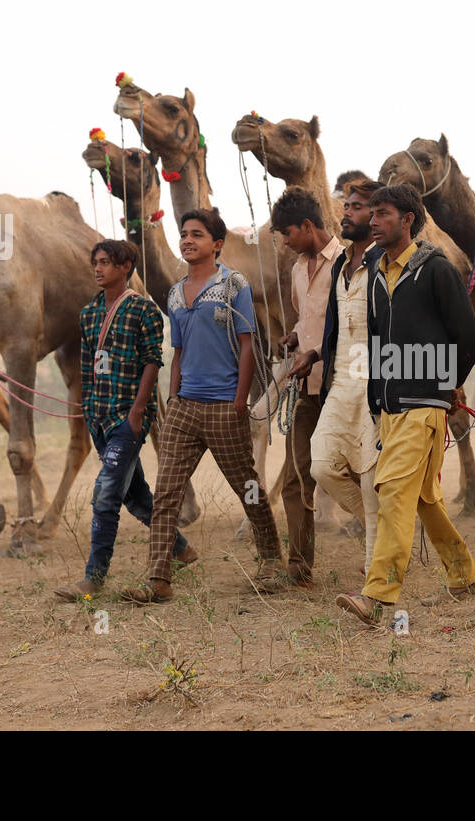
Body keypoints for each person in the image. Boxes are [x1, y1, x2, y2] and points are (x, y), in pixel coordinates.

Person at [334, 184, 475, 625]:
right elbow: (377, 342)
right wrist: (377, 399)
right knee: (423, 498)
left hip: (424, 405)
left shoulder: (435, 269)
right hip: (390, 407)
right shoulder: (376, 271)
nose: (372, 222)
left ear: (408, 220)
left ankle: (378, 595)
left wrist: (447, 384)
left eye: (381, 214)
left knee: (394, 490)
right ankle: (463, 575)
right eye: (371, 214)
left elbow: (468, 338)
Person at [132, 208, 286, 603]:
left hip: (224, 405)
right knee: (166, 491)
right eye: (183, 234)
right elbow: (178, 351)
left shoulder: (234, 284)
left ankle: (270, 559)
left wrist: (239, 398)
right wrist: (174, 396)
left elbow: (249, 343)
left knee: (247, 486)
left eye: (196, 235)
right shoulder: (174, 294)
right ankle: (158, 578)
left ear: (216, 245)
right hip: (184, 407)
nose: (187, 240)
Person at [56, 240, 191, 602]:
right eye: (95, 262)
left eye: (105, 262)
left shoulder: (144, 310)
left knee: (105, 495)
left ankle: (93, 578)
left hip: (127, 420)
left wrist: (136, 413)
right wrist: (87, 409)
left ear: (125, 265)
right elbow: (86, 366)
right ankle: (181, 549)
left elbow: (152, 362)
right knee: (136, 496)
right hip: (99, 417)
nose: (97, 269)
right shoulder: (88, 314)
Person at [292, 178, 386, 576]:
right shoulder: (342, 265)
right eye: (346, 205)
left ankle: (375, 579)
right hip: (339, 381)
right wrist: (312, 351)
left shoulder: (389, 264)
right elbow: (334, 326)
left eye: (357, 206)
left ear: (378, 216)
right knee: (322, 467)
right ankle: (385, 531)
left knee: (368, 476)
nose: (346, 212)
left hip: (376, 381)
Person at [271, 187, 344, 586]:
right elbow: (307, 321)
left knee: (358, 474)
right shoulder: (297, 269)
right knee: (297, 478)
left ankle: (384, 562)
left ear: (307, 226)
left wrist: (314, 351)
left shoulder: (350, 265)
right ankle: (299, 569)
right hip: (305, 388)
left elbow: (351, 329)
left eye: (287, 233)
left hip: (344, 387)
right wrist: (294, 338)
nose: (284, 241)